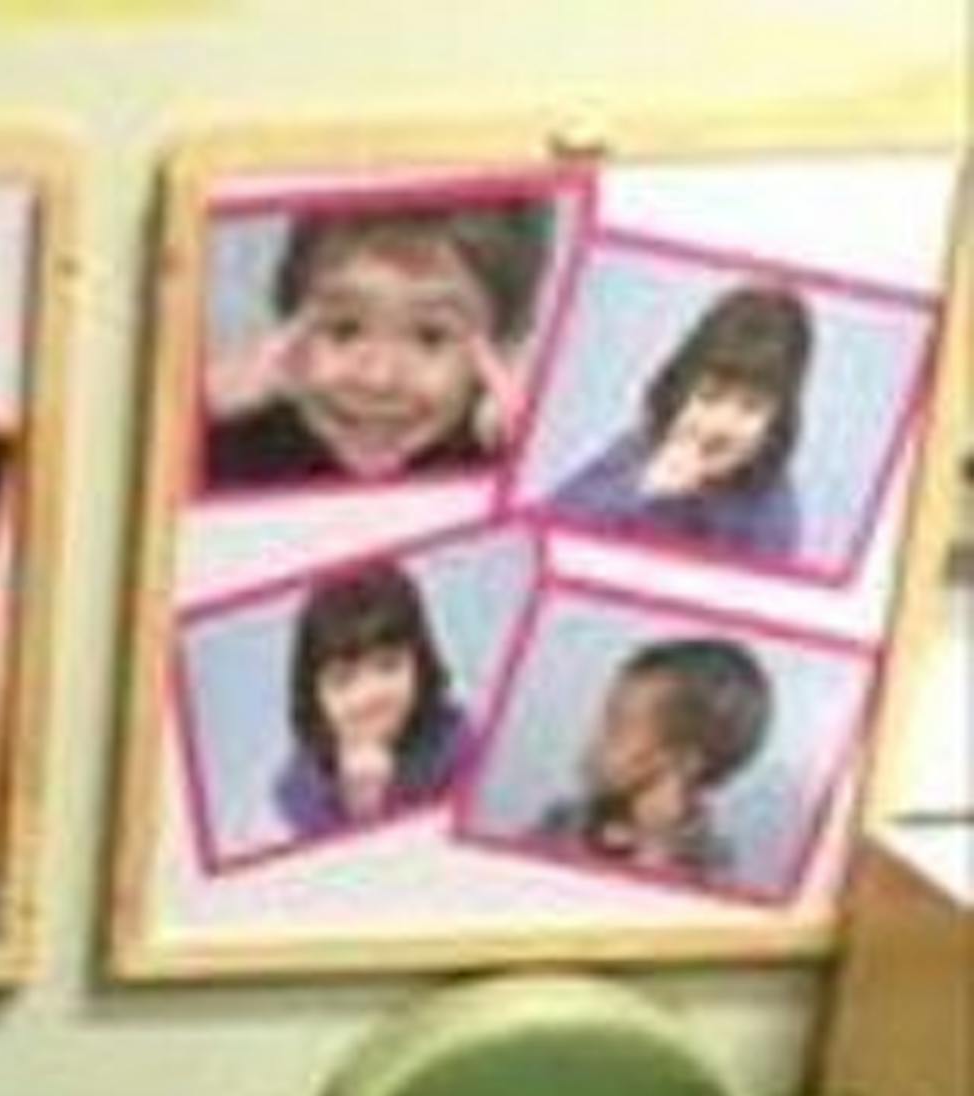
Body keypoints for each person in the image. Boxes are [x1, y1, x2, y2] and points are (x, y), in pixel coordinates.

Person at [203, 194, 555, 490]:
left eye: (430, 337)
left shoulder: (506, 465)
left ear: (498, 354)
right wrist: (204, 408)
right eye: (344, 330)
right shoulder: (229, 446)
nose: (378, 378)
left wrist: (531, 452)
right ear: (287, 332)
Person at [546, 279, 812, 563]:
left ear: (776, 421)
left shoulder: (772, 508)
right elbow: (547, 524)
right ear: (680, 391)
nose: (721, 425)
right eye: (709, 398)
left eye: (750, 409)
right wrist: (639, 488)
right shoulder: (637, 452)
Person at [522, 631, 773, 884]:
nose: (594, 743)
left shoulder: (711, 882)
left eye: (617, 728)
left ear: (684, 760)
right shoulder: (558, 827)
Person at [270, 556, 473, 839]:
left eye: (388, 666)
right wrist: (362, 805)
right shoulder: (302, 785)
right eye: (343, 681)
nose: (369, 695)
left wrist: (391, 798)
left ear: (420, 664)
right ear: (313, 695)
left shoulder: (458, 743)